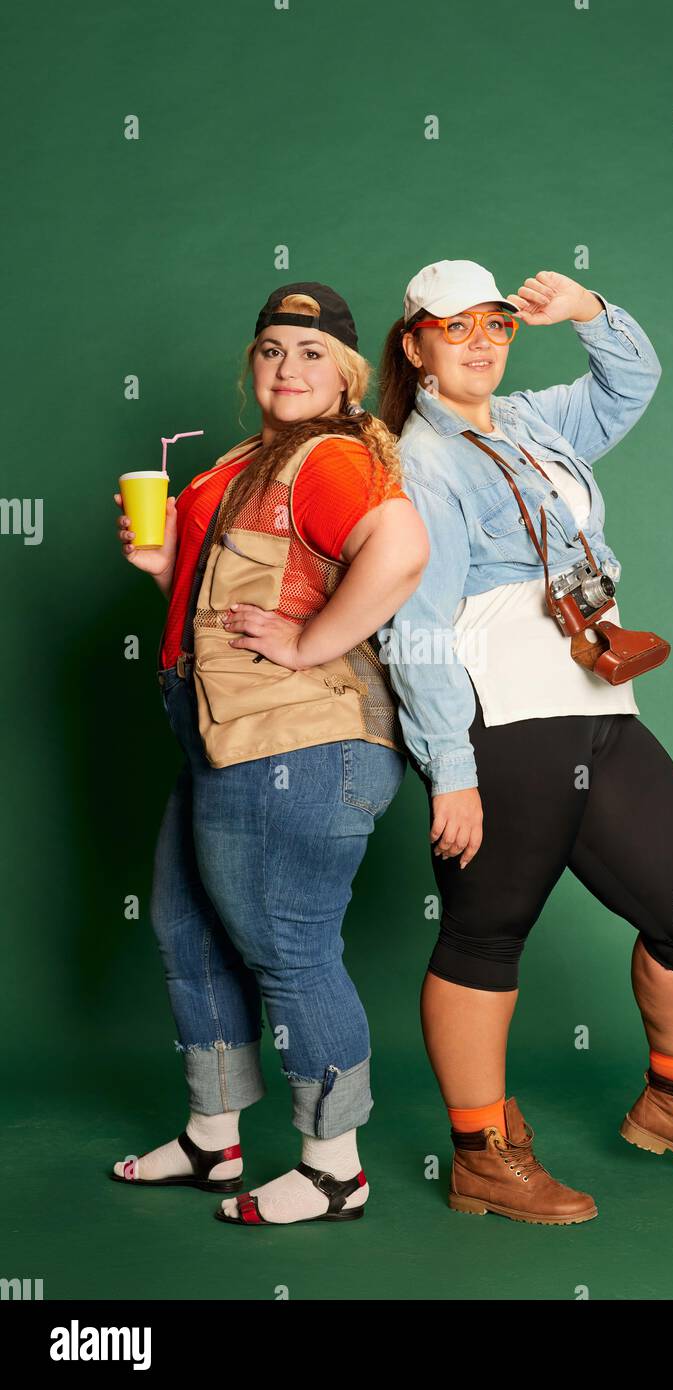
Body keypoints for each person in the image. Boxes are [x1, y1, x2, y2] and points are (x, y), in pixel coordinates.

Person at [377, 259, 673, 1225]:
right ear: (414, 343)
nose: (480, 342)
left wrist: (589, 310)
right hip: (499, 712)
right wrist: (449, 774)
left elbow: (630, 379)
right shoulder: (419, 462)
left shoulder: (536, 421)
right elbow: (414, 624)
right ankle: (480, 1154)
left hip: (595, 700)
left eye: (496, 326)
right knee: (486, 931)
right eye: (455, 326)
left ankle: (671, 1100)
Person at [110, 282, 428, 1227]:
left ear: (347, 372)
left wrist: (306, 642)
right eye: (271, 350)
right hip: (224, 736)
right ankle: (214, 1139)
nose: (287, 368)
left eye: (310, 352)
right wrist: (172, 572)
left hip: (296, 741)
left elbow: (399, 549)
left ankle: (335, 1168)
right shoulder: (255, 459)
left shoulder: (327, 458)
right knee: (187, 933)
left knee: (290, 950)